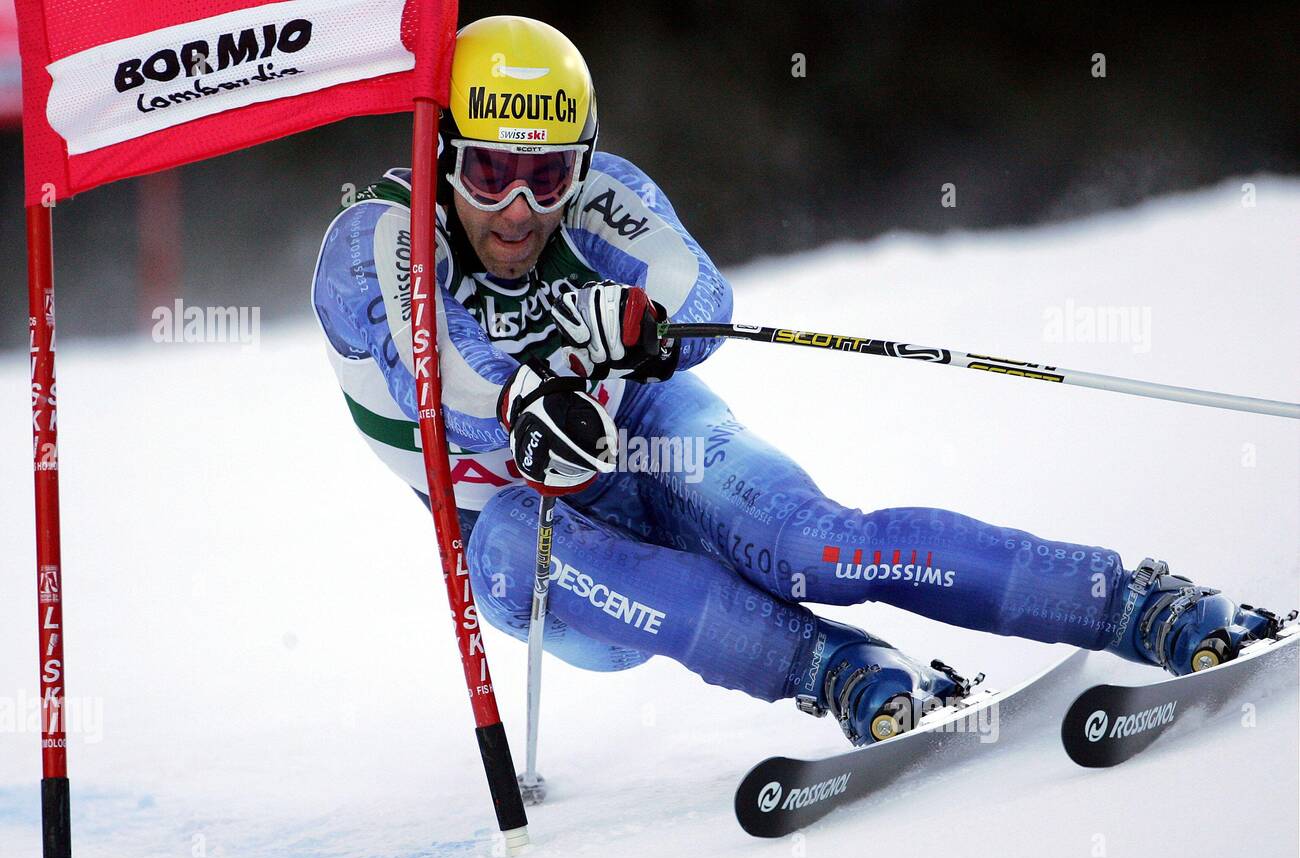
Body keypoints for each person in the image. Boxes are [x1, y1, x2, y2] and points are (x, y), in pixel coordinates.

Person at [312, 15, 1280, 745]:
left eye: (549, 173)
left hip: (647, 432)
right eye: (488, 174)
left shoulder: (599, 199)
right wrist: (538, 384)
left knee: (816, 548)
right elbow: (438, 368)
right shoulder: (374, 240)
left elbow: (703, 294)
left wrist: (639, 327)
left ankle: (1130, 603)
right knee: (530, 550)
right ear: (440, 154)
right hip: (519, 523)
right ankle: (836, 668)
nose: (522, 209)